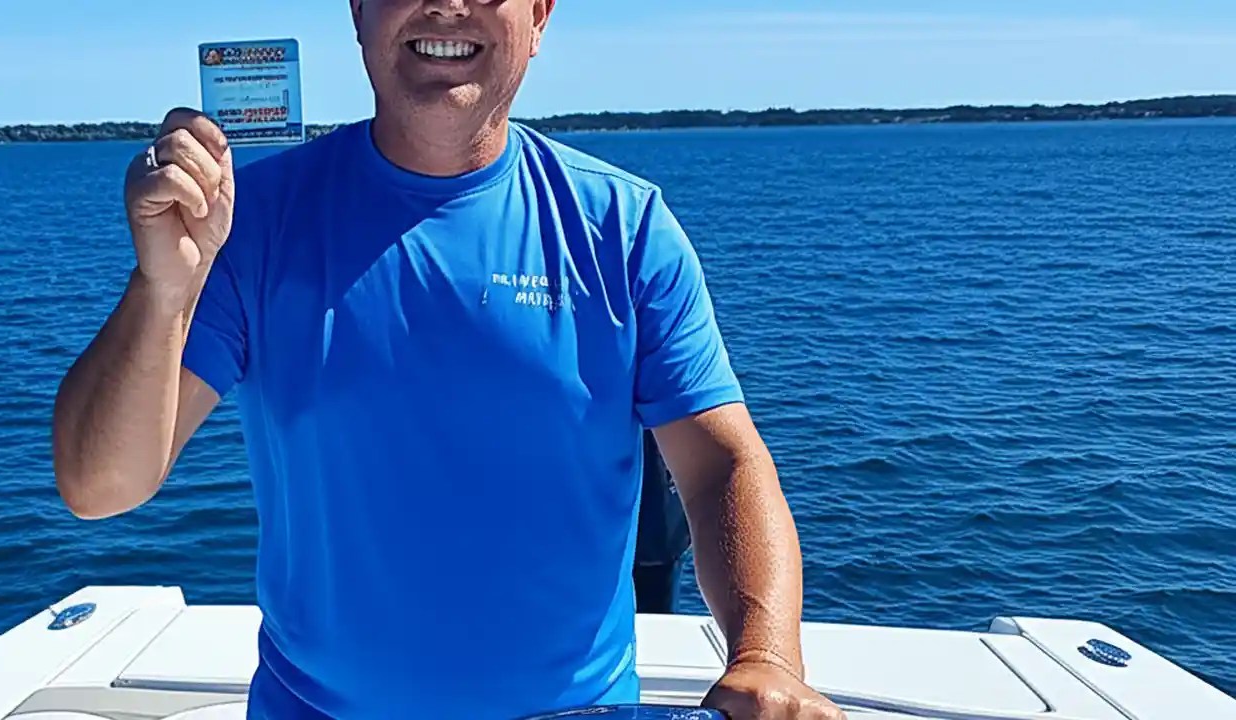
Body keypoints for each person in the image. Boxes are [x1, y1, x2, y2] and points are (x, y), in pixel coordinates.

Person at [50, 1, 846, 719]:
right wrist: (162, 290)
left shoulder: (623, 229)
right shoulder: (248, 223)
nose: (446, 5)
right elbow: (100, 486)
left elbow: (720, 465)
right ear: (357, 12)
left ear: (539, 17)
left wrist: (767, 655)